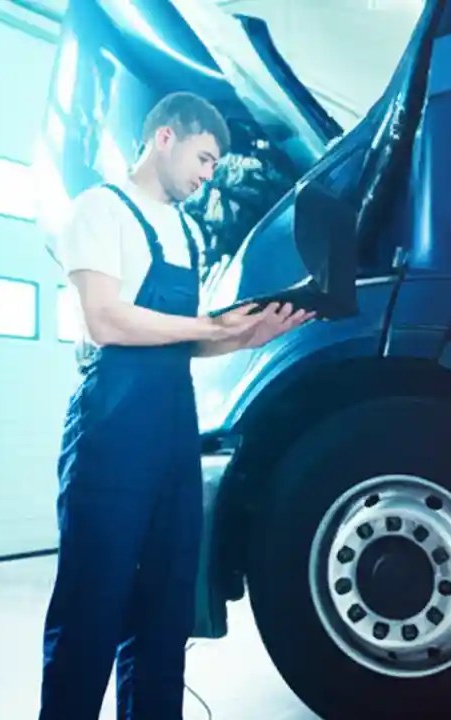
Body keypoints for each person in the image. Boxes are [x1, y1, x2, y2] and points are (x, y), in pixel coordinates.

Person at [38, 91, 312, 719]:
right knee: (92, 600)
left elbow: (181, 341)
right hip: (112, 423)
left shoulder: (185, 231)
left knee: (166, 605)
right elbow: (106, 320)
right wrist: (210, 326)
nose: (208, 175)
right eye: (204, 159)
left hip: (172, 427)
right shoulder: (100, 209)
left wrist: (246, 335)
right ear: (166, 137)